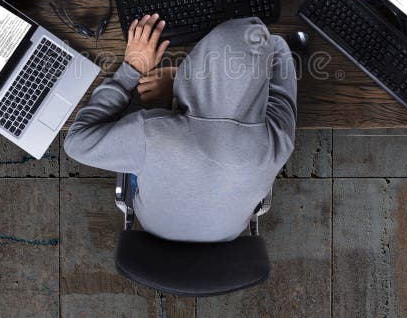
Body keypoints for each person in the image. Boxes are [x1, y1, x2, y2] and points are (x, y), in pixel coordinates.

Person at [64, 13, 297, 242]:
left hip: (156, 226)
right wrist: (185, 81)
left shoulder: (155, 133)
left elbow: (76, 144)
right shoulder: (277, 141)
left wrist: (132, 68)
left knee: (138, 145)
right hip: (225, 238)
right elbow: (277, 50)